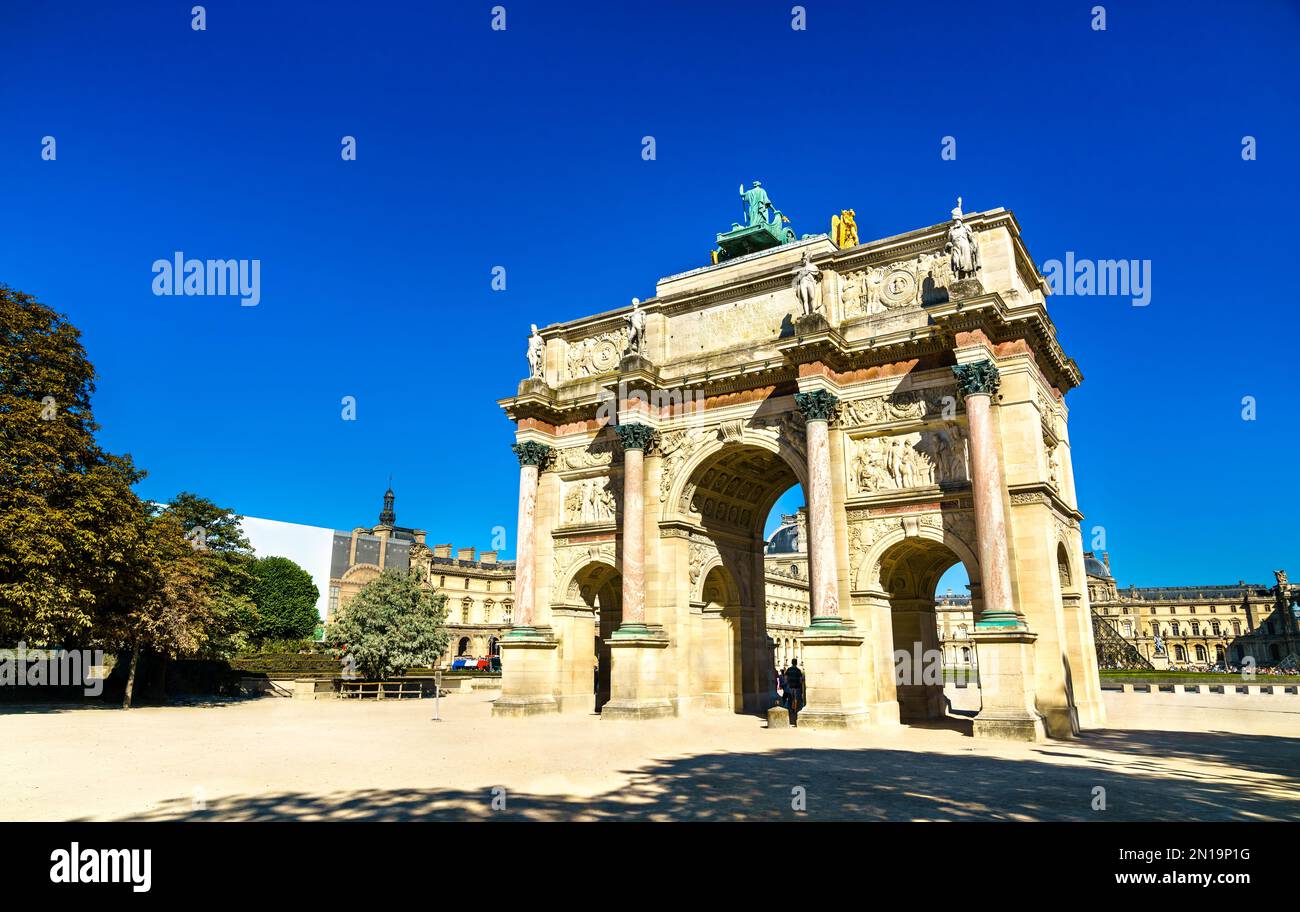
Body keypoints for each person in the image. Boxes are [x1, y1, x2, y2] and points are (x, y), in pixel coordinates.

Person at [784, 659, 805, 725]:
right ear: (796, 663)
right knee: (796, 699)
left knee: (790, 699)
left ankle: (790, 710)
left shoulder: (789, 670)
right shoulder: (798, 670)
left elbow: (785, 678)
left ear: (791, 663)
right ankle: (796, 710)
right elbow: (801, 680)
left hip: (790, 686)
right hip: (797, 687)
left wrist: (787, 683)